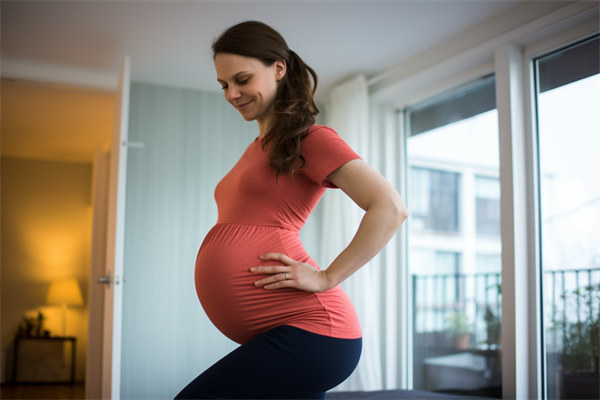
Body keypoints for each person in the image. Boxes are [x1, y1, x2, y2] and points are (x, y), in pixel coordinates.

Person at [175, 21, 408, 399]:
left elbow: (390, 207)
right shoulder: (258, 147)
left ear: (279, 69)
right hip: (288, 331)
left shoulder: (312, 139)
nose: (232, 93)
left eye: (242, 79)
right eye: (223, 85)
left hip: (316, 330)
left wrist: (327, 277)